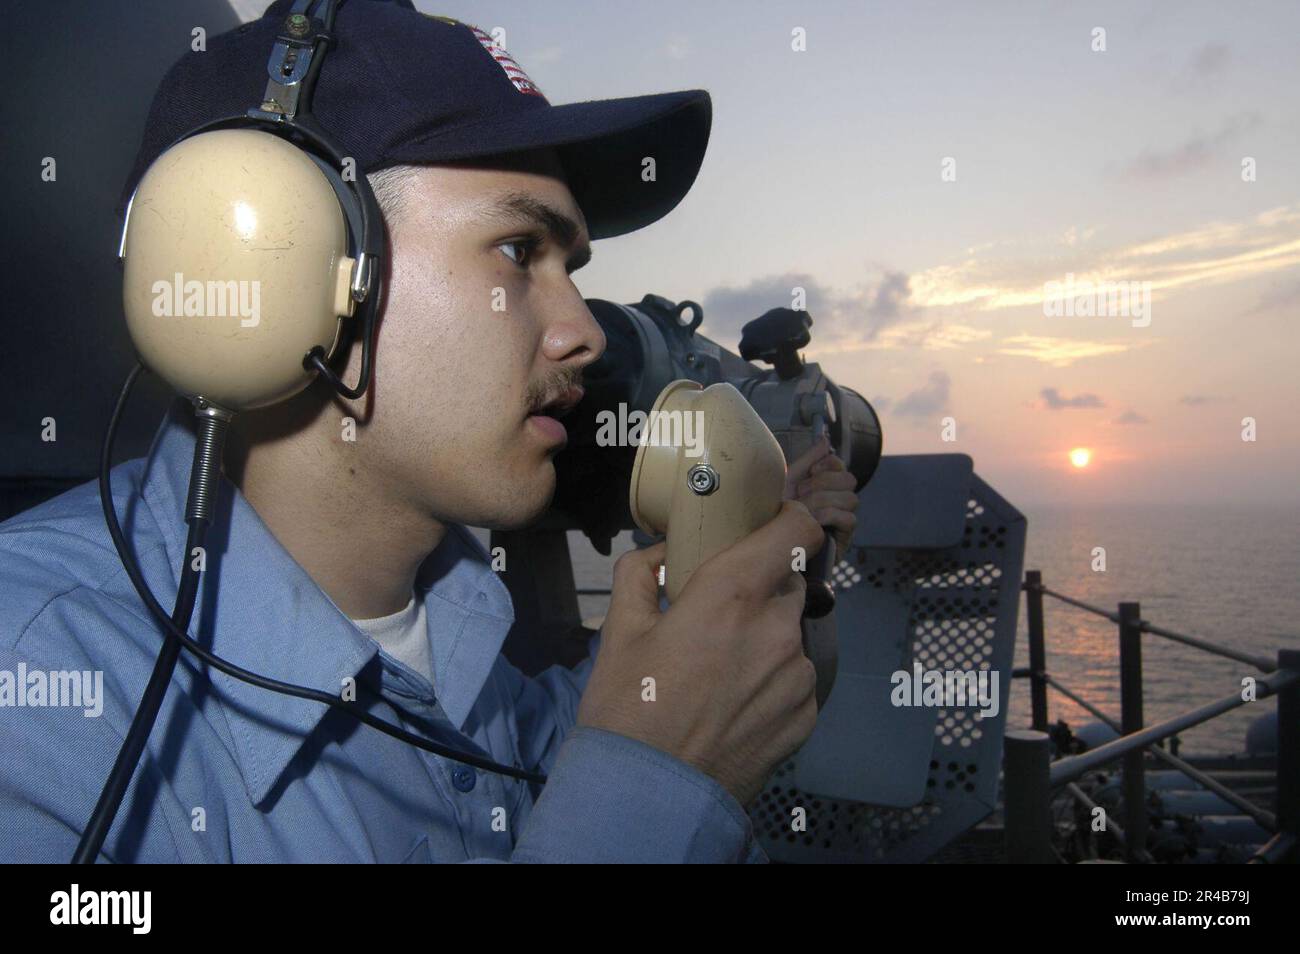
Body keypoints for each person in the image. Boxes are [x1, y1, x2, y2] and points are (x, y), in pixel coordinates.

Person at [0, 0, 860, 862]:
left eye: (572, 270)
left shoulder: (465, 630)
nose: (587, 334)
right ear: (267, 272)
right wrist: (656, 788)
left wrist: (770, 550)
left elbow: (626, 724)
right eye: (521, 251)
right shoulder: (41, 704)